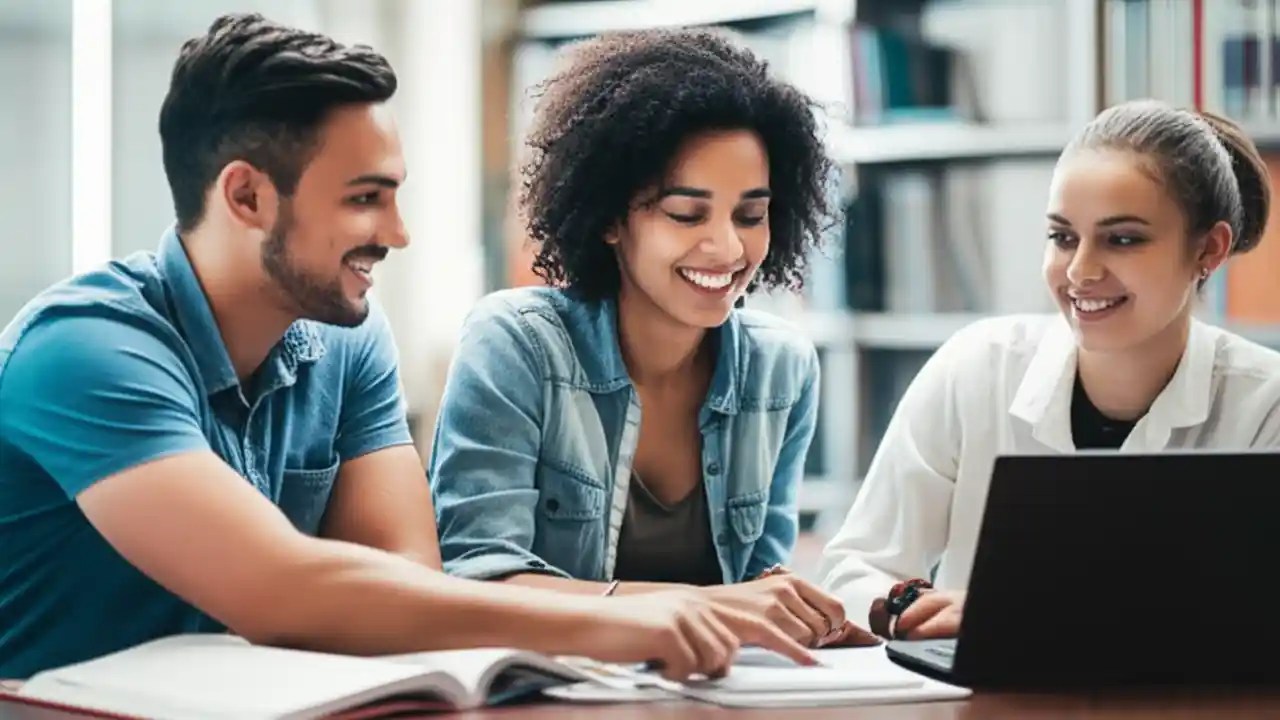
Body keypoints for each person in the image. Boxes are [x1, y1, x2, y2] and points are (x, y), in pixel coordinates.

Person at [0, 13, 816, 680]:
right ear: (246, 196)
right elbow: (280, 588)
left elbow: (411, 584)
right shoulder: (85, 351)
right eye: (365, 199)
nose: (398, 232)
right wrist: (630, 616)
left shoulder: (347, 342)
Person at [428, 27, 872, 650]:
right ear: (611, 217)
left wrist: (813, 616)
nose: (727, 247)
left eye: (751, 215)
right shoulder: (516, 344)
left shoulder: (782, 368)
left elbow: (758, 587)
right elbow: (479, 582)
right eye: (686, 214)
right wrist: (703, 606)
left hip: (710, 686)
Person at [818, 99, 1280, 640]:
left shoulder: (1265, 404)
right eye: (1063, 237)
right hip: (978, 686)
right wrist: (907, 609)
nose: (1080, 271)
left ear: (1209, 250)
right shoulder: (977, 367)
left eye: (1122, 239)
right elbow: (855, 570)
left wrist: (1028, 615)